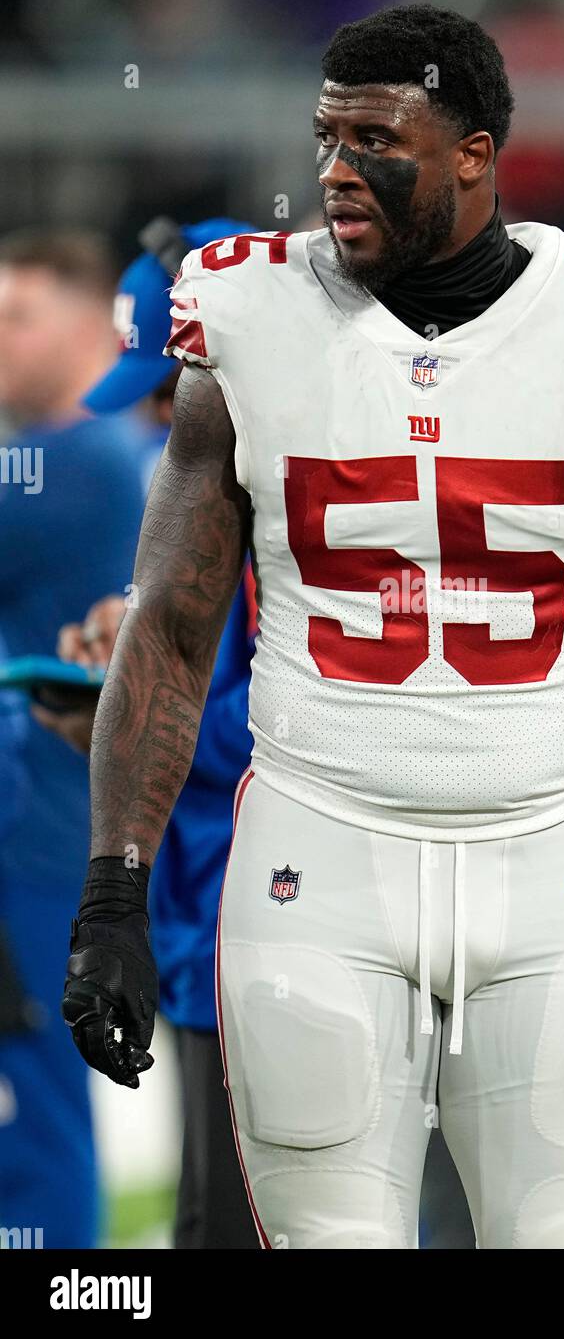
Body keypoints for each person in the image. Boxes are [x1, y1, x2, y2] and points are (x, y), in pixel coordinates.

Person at [63, 5, 564, 1250]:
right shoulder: (244, 314)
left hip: (558, 861)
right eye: (323, 137)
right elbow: (169, 629)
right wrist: (112, 894)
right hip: (318, 855)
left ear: (474, 154)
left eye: (375, 138)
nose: (334, 169)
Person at [45, 216, 261, 1249]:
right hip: (195, 914)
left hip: (271, 920)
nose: (158, 424)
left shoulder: (311, 509)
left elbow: (310, 729)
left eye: (172, 392)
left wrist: (130, 715)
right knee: (204, 1218)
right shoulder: (210, 503)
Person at [0, 229, 146, 1247]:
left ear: (95, 322)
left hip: (46, 827)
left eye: (17, 317)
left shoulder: (81, 460)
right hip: (61, 821)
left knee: (35, 1103)